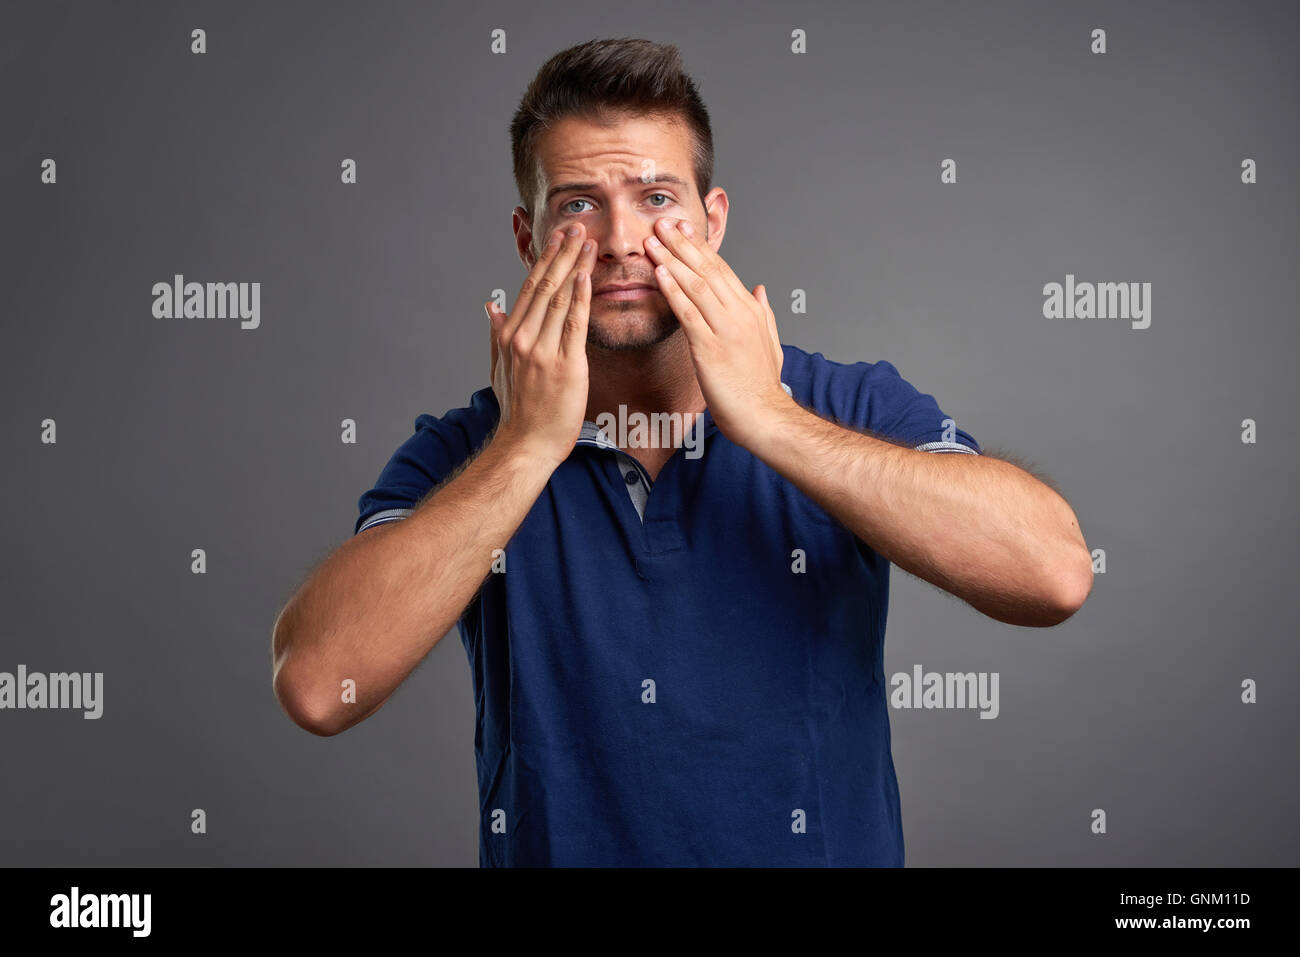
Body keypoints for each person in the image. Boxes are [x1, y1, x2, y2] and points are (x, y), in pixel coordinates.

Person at [271, 37, 1093, 866]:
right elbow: (316, 684)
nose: (622, 240)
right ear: (528, 238)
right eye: (579, 205)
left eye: (657, 195)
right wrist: (524, 449)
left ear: (714, 220)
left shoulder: (845, 405)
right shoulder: (468, 449)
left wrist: (771, 420)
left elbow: (1054, 572)